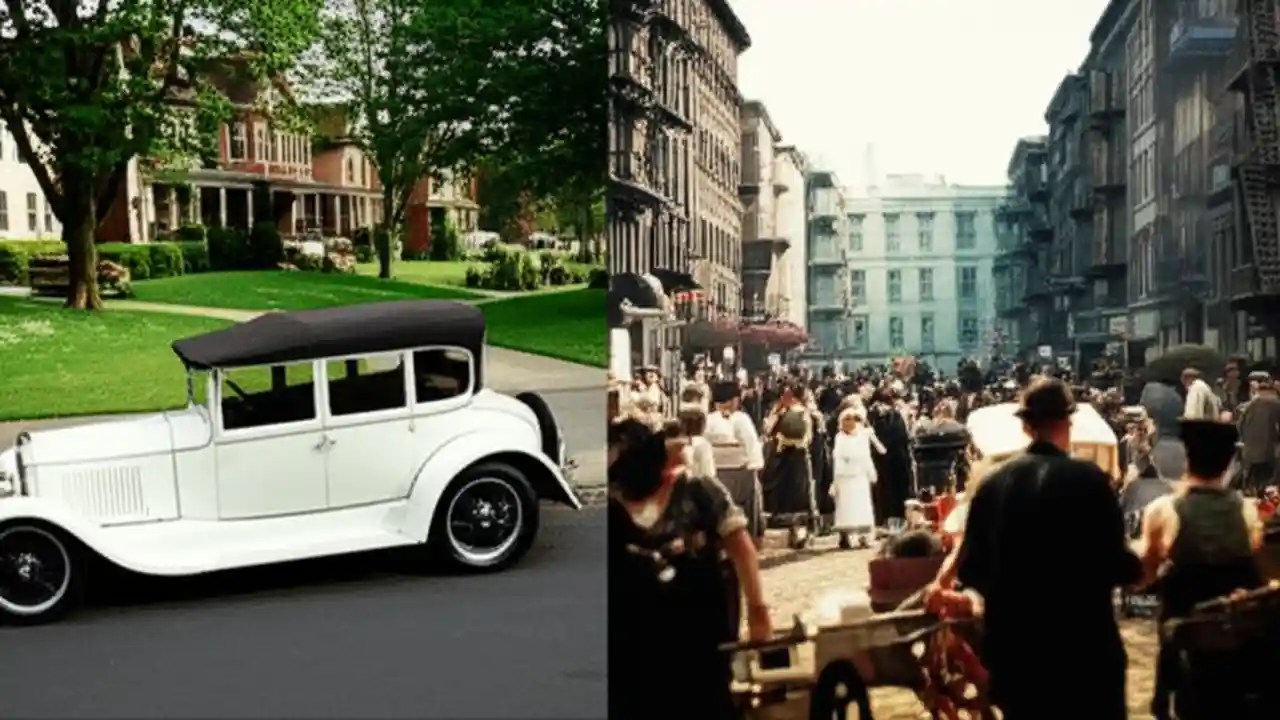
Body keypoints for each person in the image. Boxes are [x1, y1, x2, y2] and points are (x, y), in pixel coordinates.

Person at [927, 377, 1141, 720]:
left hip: (1016, 656)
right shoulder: (1090, 480)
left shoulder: (992, 484)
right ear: (1068, 423)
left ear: (1026, 427)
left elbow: (973, 571)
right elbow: (1121, 566)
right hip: (1085, 653)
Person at [609, 418, 771, 720]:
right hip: (634, 636)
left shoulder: (698, 490)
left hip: (699, 625)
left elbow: (742, 549)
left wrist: (758, 611)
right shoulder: (612, 507)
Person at [1136, 419, 1266, 720]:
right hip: (1236, 638)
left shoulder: (1163, 509)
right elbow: (1253, 555)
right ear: (1228, 463)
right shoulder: (1246, 510)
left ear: (1187, 457)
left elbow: (1146, 574)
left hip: (1185, 639)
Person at [830, 407, 884, 549]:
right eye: (846, 419)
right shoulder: (840, 438)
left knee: (862, 507)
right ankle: (846, 537)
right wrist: (836, 480)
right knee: (846, 508)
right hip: (845, 477)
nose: (849, 422)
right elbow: (838, 459)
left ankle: (865, 536)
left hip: (860, 476)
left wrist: (871, 472)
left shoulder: (863, 436)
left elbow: (869, 455)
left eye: (852, 419)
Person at [1237, 371, 1280, 495]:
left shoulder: (1249, 405)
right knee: (1267, 486)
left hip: (1250, 452)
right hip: (1270, 452)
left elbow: (1240, 426)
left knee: (1252, 484)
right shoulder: (1276, 404)